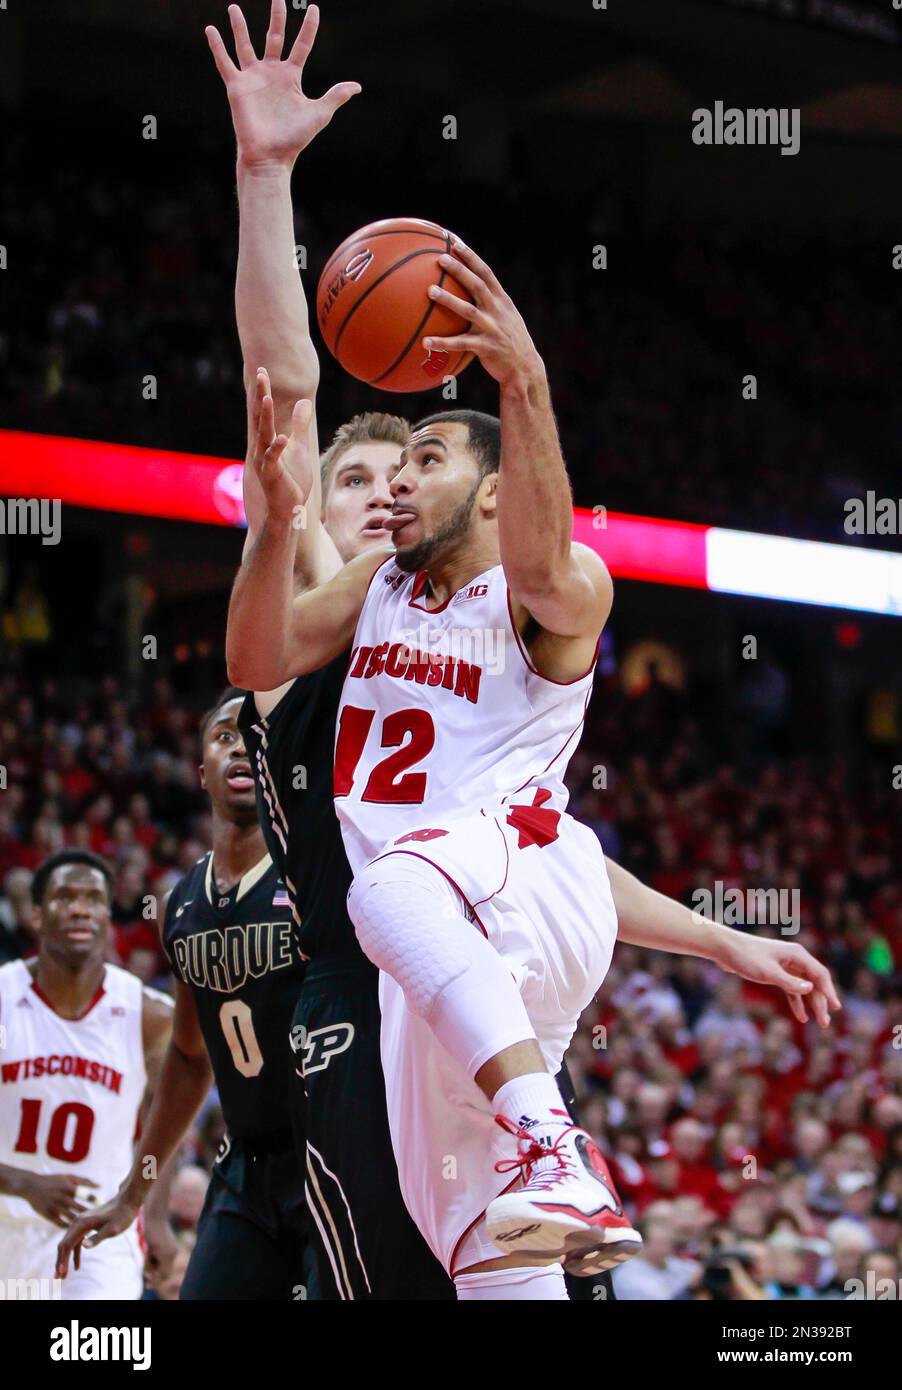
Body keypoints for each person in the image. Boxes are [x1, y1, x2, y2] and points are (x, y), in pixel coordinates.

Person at [215, 0, 840, 1301]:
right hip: (365, 1000)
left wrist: (721, 941)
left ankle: (551, 1146)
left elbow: (541, 842)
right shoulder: (326, 596)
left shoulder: (497, 593)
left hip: (478, 967)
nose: (389, 487)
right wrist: (264, 179)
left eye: (417, 463)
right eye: (365, 470)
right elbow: (282, 390)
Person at [57, 693, 315, 1301]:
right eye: (224, 735)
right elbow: (190, 1054)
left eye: (255, 735)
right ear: (201, 772)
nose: (241, 745)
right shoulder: (181, 902)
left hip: (331, 1159)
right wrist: (134, 1195)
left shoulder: (316, 871)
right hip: (247, 1168)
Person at [0, 849, 173, 1298]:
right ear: (35, 916)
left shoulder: (147, 1015)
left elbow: (168, 1123)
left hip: (100, 1227)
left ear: (108, 915)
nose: (81, 908)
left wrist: (153, 1214)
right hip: (6, 1220)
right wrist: (22, 1182)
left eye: (94, 898)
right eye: (64, 897)